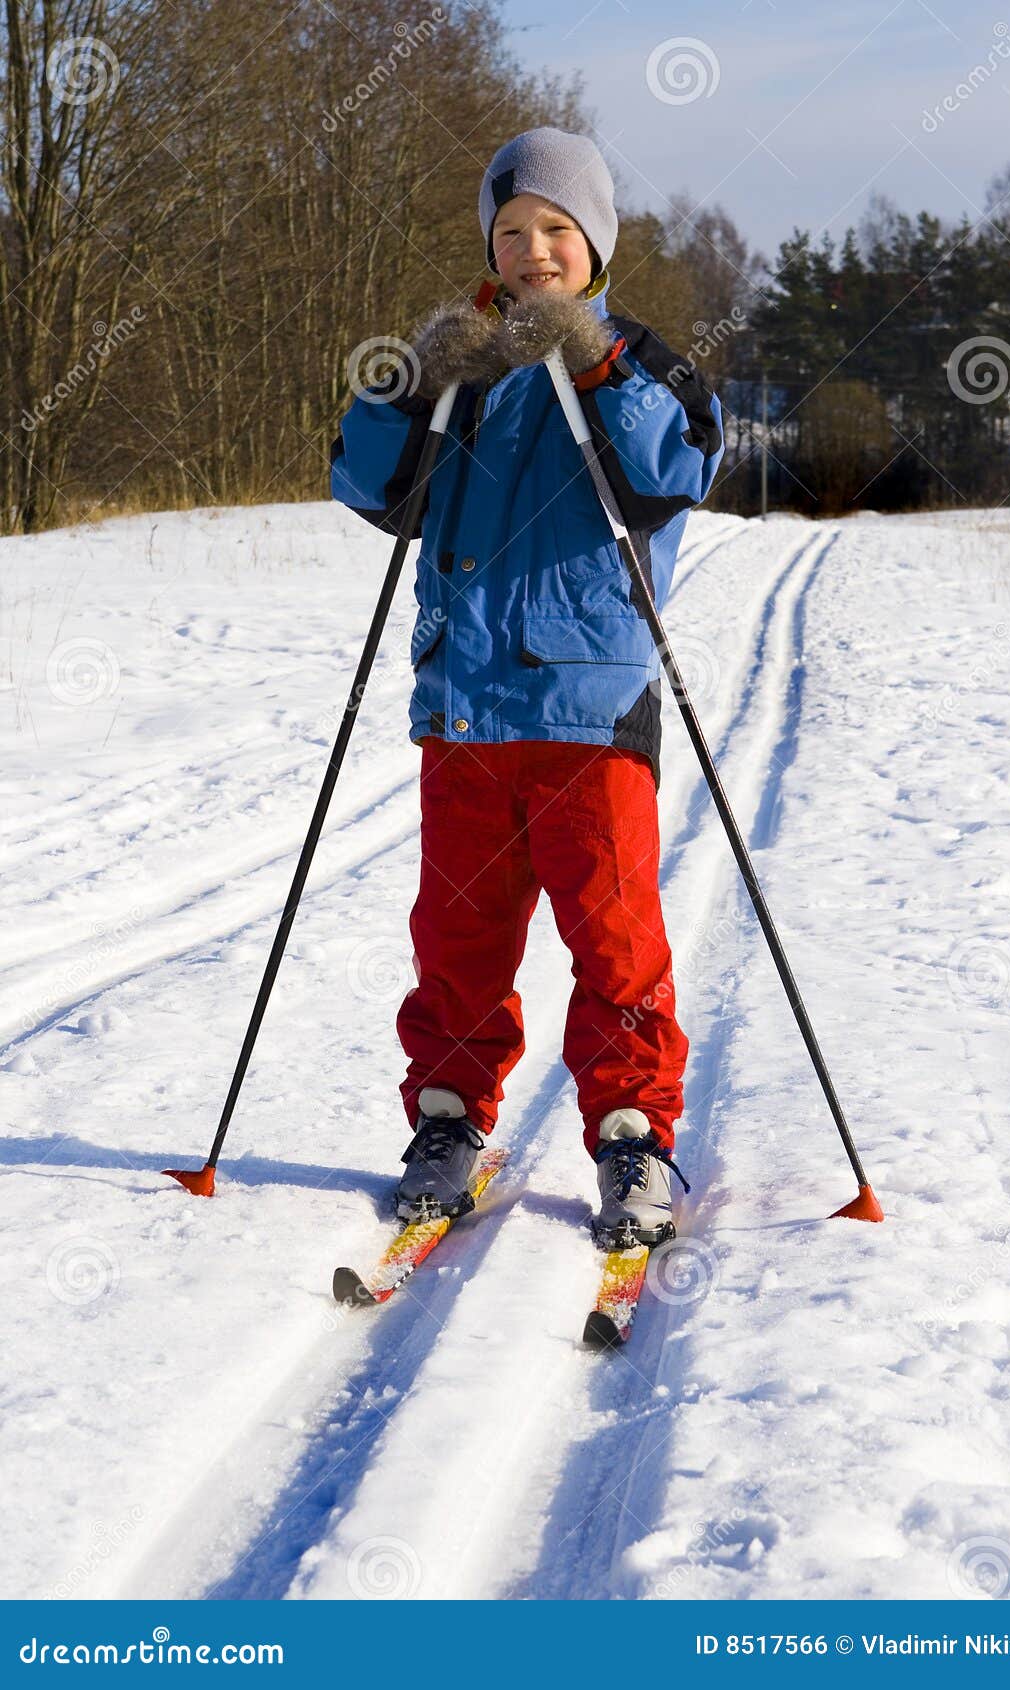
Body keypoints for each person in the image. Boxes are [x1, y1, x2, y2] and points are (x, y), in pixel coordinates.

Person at [330, 127, 726, 1247]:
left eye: (556, 230)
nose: (533, 251)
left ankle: (633, 1134)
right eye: (512, 232)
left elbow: (673, 473)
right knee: (455, 938)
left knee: (613, 941)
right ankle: (449, 1121)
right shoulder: (463, 365)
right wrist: (411, 381)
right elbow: (365, 486)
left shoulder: (639, 363)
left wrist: (595, 360)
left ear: (593, 244)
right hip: (461, 706)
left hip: (588, 713)